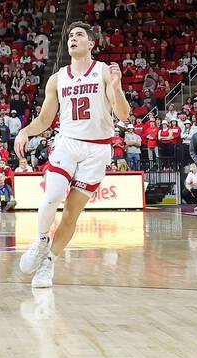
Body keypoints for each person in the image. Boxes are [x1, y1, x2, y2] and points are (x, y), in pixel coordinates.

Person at [16, 23, 131, 288]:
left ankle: (48, 264)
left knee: (71, 213)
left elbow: (123, 114)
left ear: (91, 44)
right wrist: (25, 131)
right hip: (67, 143)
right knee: (52, 197)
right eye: (70, 36)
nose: (73, 39)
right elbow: (45, 119)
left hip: (97, 149)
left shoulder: (103, 71)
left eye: (79, 35)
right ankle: (41, 240)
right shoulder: (58, 78)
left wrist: (117, 87)